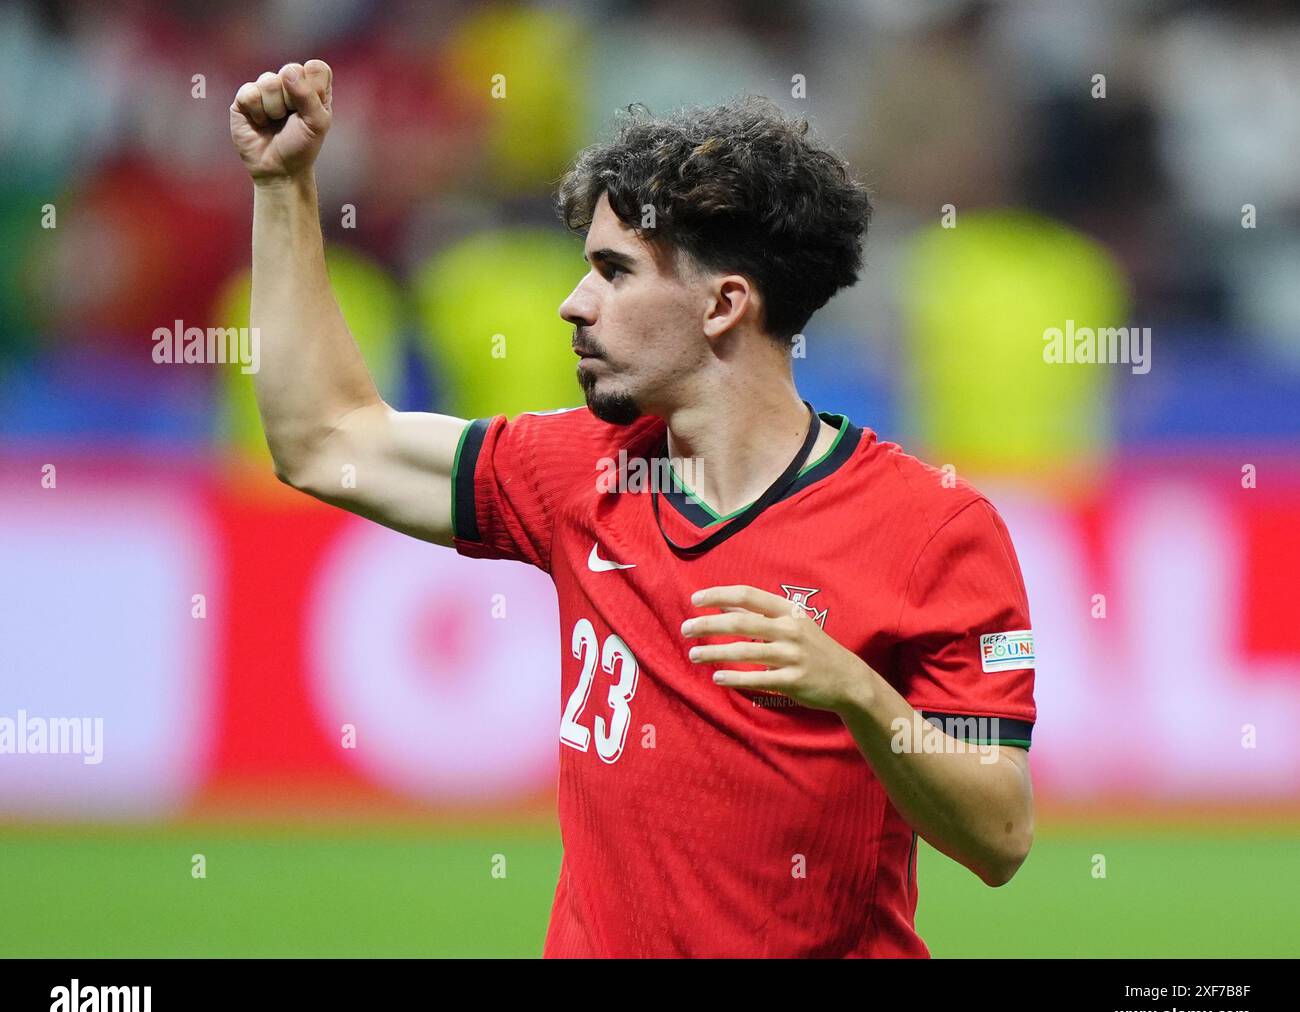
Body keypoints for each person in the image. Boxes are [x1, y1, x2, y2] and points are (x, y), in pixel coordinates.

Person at [229, 60, 1037, 958]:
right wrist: (284, 186)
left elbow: (1000, 837)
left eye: (614, 272)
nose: (574, 305)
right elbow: (326, 440)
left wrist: (856, 692)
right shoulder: (573, 471)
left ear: (725, 304)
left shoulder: (931, 529)